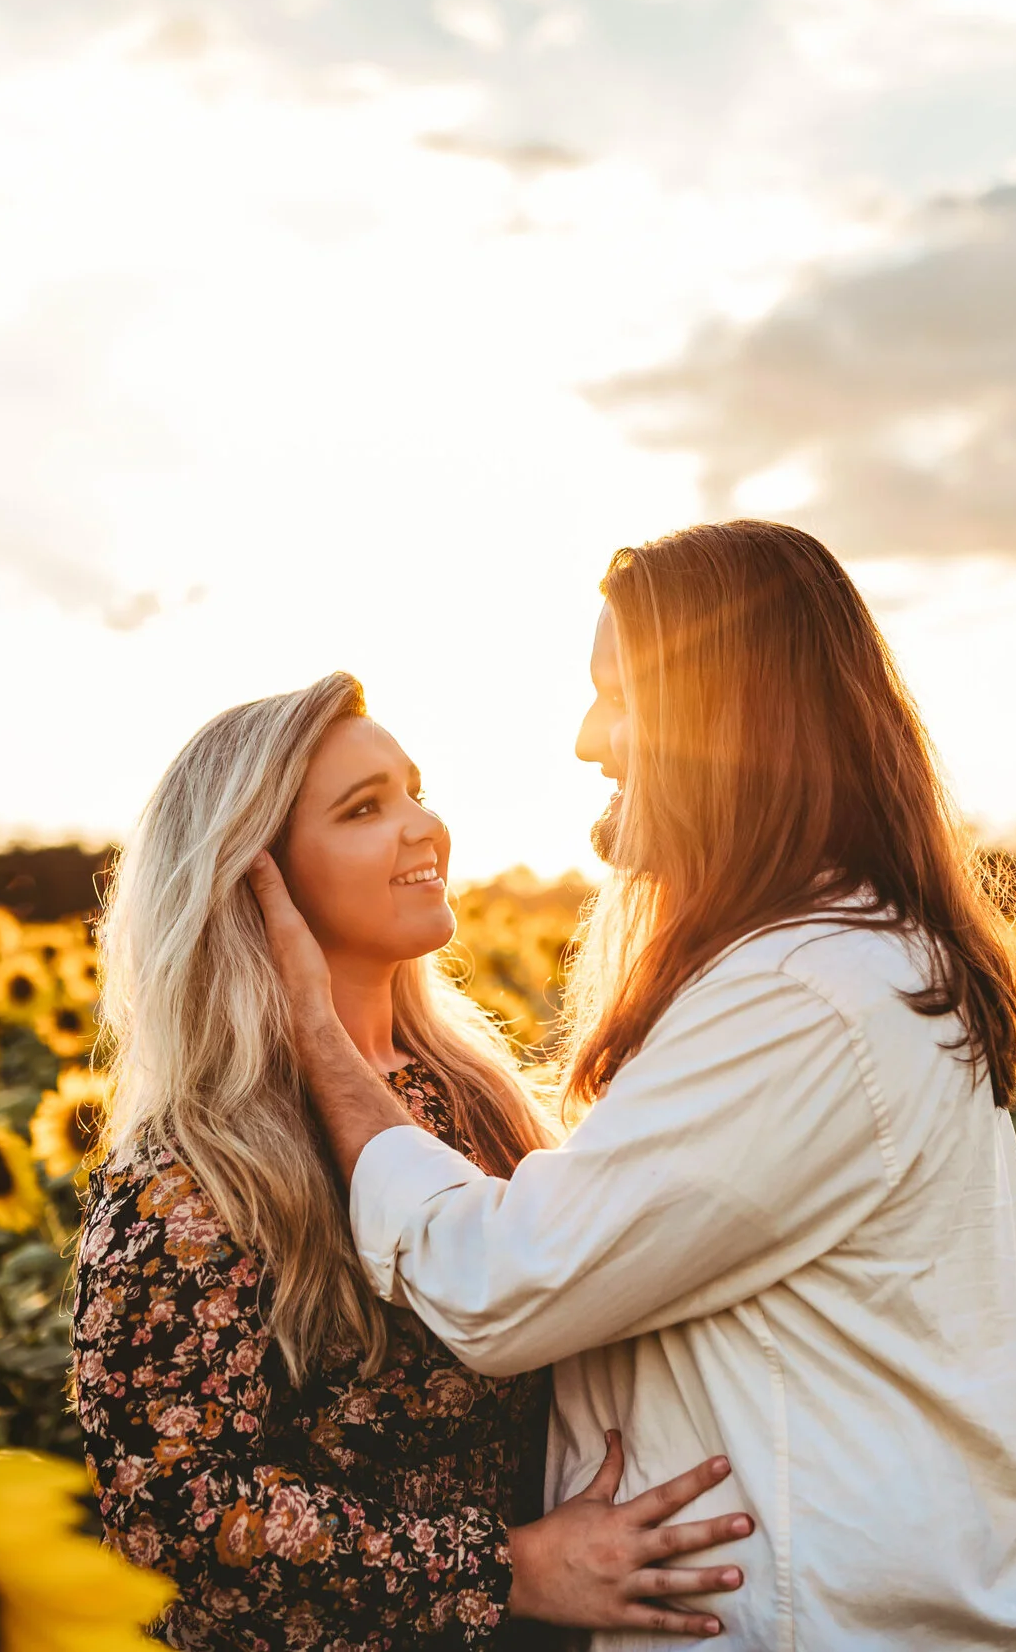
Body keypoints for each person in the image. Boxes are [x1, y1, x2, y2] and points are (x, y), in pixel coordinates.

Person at [250, 522, 1016, 1650]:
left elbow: (506, 1281)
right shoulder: (816, 965)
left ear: (732, 723)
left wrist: (319, 1042)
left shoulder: (806, 998)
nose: (589, 739)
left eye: (620, 697)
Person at [70, 672, 753, 1652]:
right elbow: (171, 1510)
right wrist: (507, 1567)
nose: (423, 826)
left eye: (413, 788)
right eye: (363, 808)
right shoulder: (201, 1160)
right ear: (256, 876)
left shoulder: (481, 1093)